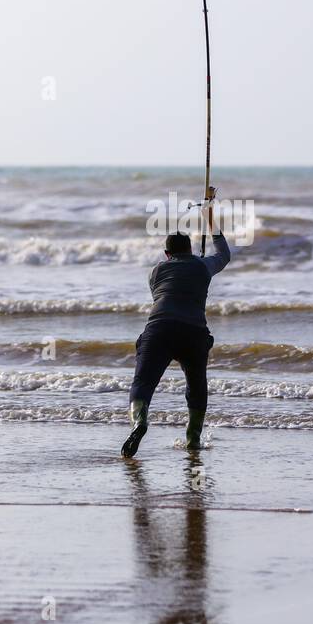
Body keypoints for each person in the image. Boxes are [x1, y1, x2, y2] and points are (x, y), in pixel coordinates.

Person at [121, 187, 231, 456]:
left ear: (167, 254)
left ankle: (140, 421)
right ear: (190, 249)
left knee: (144, 381)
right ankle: (193, 439)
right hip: (193, 332)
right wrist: (210, 216)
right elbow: (224, 254)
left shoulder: (155, 271)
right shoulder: (203, 266)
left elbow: (161, 296)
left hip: (159, 327)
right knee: (196, 385)